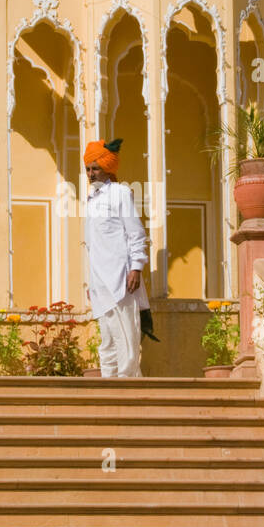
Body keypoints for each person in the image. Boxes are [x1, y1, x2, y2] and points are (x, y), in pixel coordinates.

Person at [83, 137, 149, 378]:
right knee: (108, 339)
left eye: (95, 168)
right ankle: (108, 388)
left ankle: (128, 389)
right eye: (88, 169)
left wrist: (136, 268)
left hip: (122, 279)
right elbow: (92, 245)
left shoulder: (120, 193)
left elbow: (136, 233)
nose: (91, 174)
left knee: (127, 339)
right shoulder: (91, 201)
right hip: (100, 283)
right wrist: (91, 283)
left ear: (107, 168)